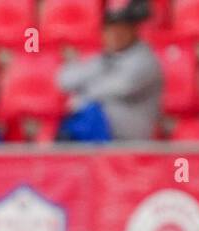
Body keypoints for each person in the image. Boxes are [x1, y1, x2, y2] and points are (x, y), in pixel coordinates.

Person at [56, 0, 161, 142]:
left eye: (121, 29)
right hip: (100, 139)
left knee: (87, 113)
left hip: (129, 142)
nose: (115, 35)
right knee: (70, 131)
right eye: (110, 29)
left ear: (133, 30)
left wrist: (81, 95)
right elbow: (64, 80)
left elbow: (119, 87)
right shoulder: (105, 58)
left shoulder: (145, 61)